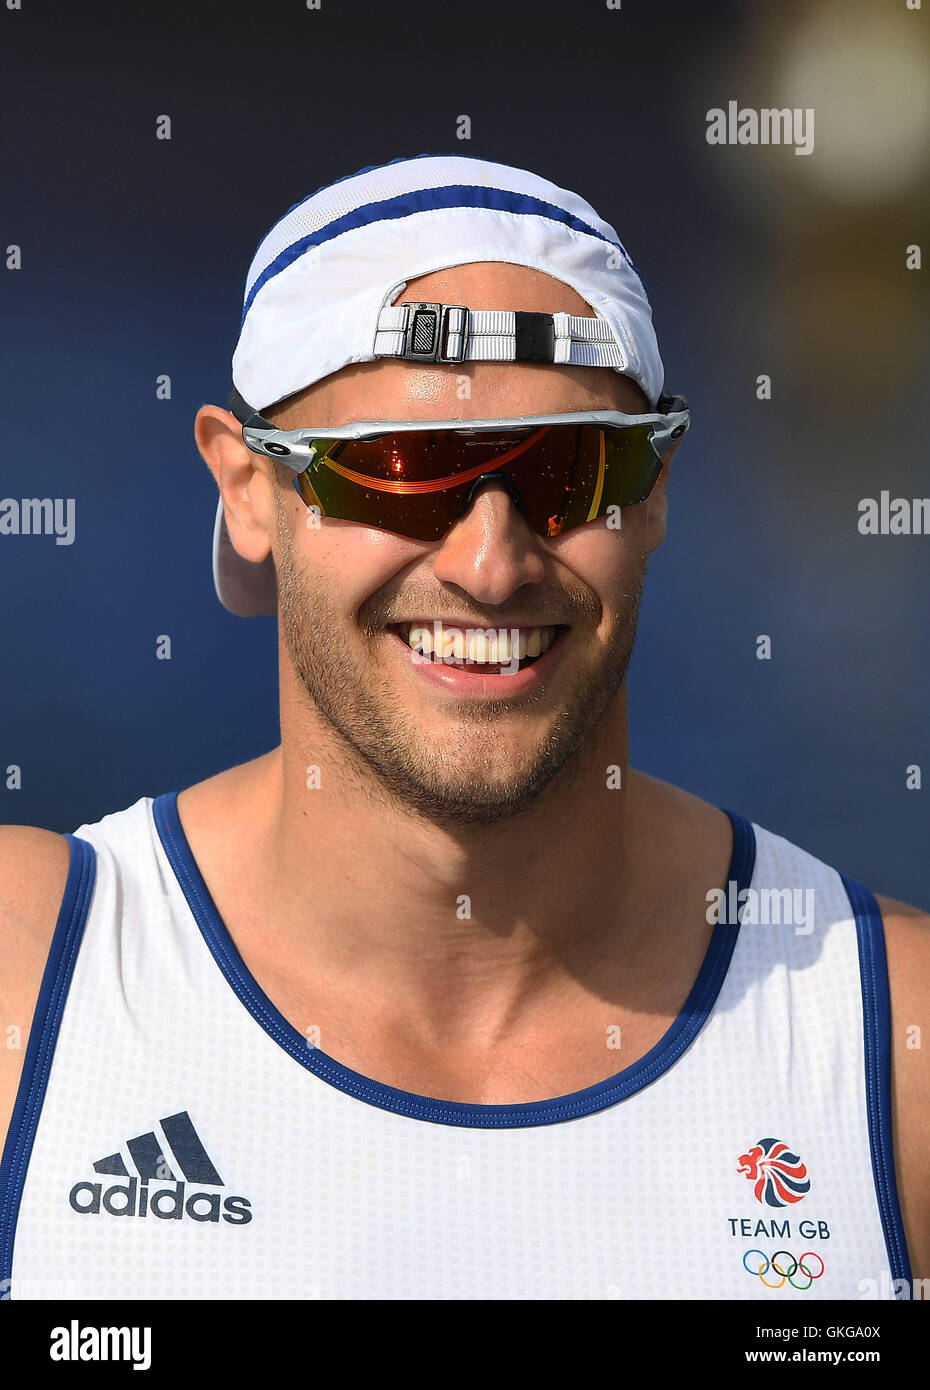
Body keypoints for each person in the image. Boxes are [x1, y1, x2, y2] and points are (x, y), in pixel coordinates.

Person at [1, 154, 927, 1301]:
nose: (490, 566)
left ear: (656, 493)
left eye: (570, 469)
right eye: (403, 471)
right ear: (247, 489)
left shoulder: (894, 1043)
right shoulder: (30, 976)